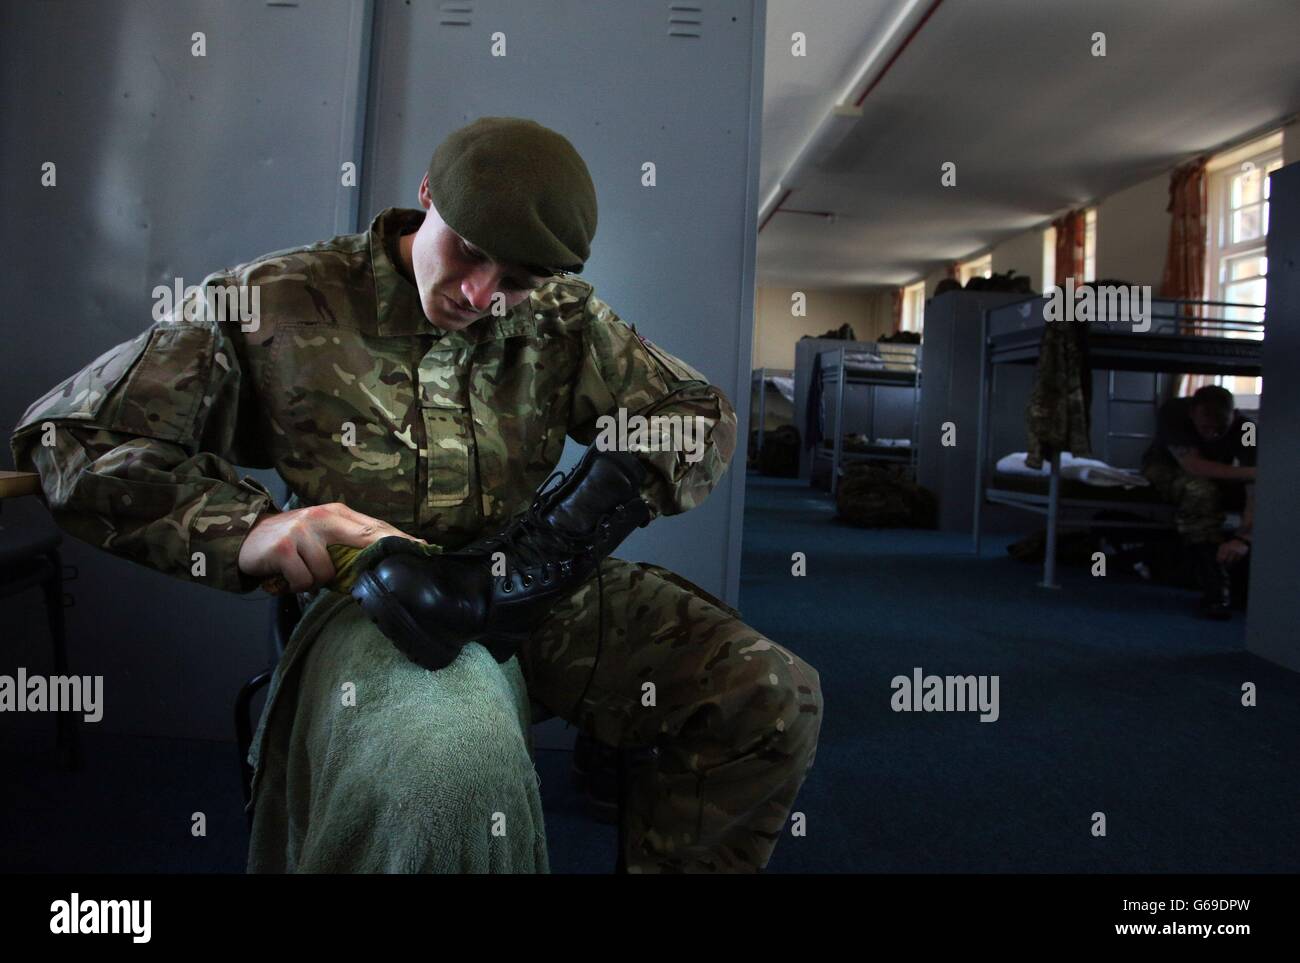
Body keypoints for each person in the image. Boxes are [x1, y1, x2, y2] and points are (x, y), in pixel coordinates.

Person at [10, 116, 822, 873]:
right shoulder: (280, 299)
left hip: (533, 591)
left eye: (518, 279)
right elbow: (70, 438)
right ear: (426, 196)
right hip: (379, 601)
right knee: (445, 774)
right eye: (467, 253)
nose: (480, 294)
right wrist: (249, 527)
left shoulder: (564, 318)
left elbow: (695, 417)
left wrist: (535, 559)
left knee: (768, 697)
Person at [1141, 384, 1257, 619]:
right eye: (1206, 428)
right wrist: (1253, 473)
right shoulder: (1173, 411)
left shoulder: (1246, 428)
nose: (1212, 433)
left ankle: (1225, 577)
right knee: (1200, 491)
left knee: (1241, 491)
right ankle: (1215, 586)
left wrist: (1244, 536)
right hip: (1165, 468)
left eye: (1220, 428)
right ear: (1192, 413)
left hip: (1218, 475)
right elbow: (1193, 466)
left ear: (1233, 416)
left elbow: (1256, 484)